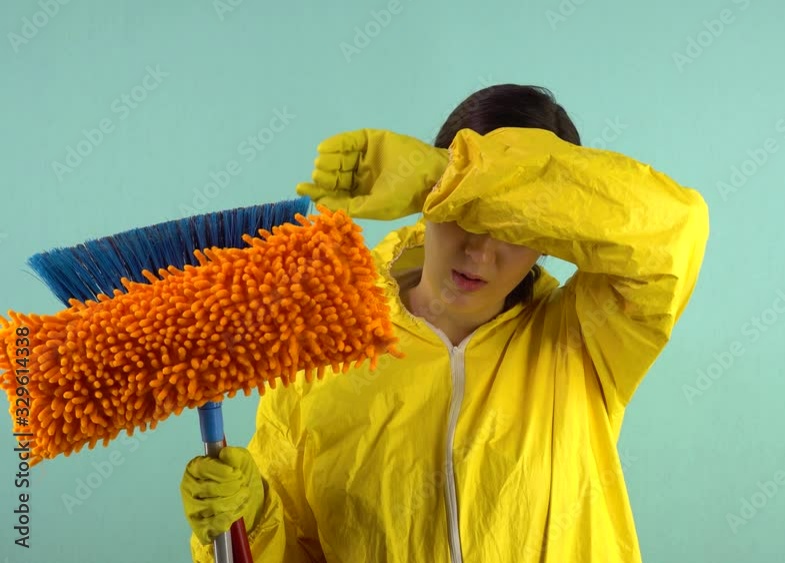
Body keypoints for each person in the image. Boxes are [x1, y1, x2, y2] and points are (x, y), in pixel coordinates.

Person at [180, 84, 710, 562]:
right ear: (425, 205)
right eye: (462, 212)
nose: (479, 252)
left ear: (552, 234)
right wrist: (252, 523)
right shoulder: (323, 352)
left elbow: (672, 231)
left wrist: (452, 175)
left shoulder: (587, 337)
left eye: (513, 227)